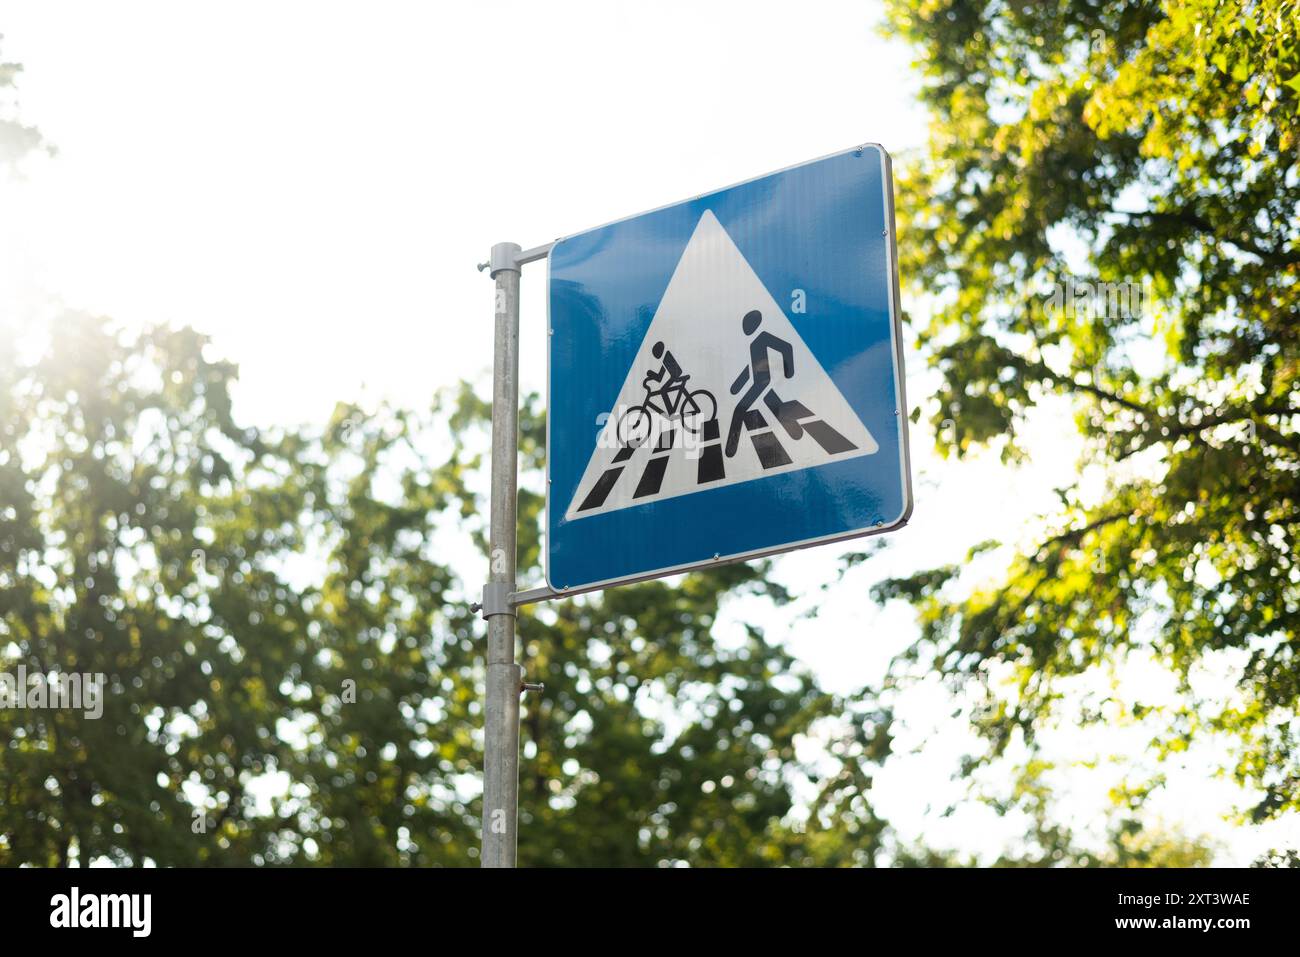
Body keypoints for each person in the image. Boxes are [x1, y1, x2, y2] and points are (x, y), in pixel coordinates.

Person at [725, 310, 810, 457]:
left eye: (748, 325)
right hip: (761, 383)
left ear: (754, 324)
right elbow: (750, 367)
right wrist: (736, 386)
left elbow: (786, 348)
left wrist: (789, 372)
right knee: (774, 404)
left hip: (763, 383)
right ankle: (795, 430)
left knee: (739, 410)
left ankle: (731, 447)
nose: (746, 329)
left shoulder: (764, 337)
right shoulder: (753, 343)